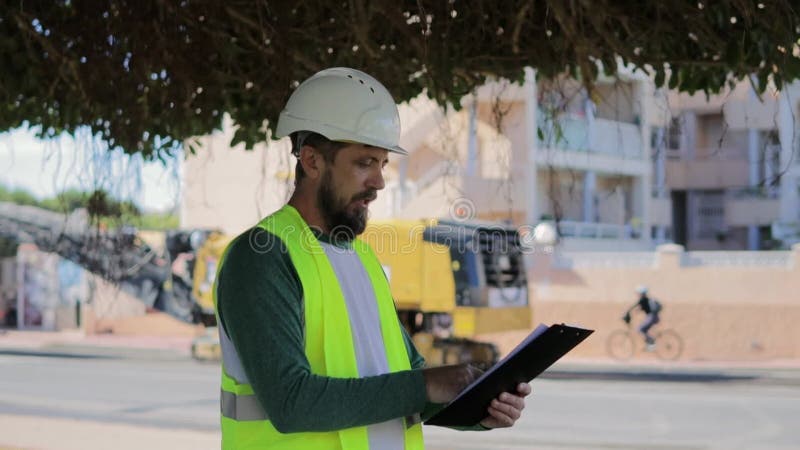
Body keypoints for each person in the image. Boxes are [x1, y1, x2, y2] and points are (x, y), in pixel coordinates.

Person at [214, 67, 531, 450]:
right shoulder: (261, 258)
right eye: (364, 162)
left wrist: (478, 407)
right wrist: (427, 384)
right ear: (312, 162)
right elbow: (291, 403)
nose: (380, 182)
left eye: (382, 164)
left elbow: (402, 384)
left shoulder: (363, 259)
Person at [624, 285, 662, 349]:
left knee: (640, 329)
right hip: (653, 317)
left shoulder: (643, 300)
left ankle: (652, 343)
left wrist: (627, 312)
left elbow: (634, 306)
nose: (637, 295)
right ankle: (650, 344)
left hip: (652, 317)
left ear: (641, 293)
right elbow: (640, 308)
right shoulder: (646, 300)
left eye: (638, 293)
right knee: (644, 330)